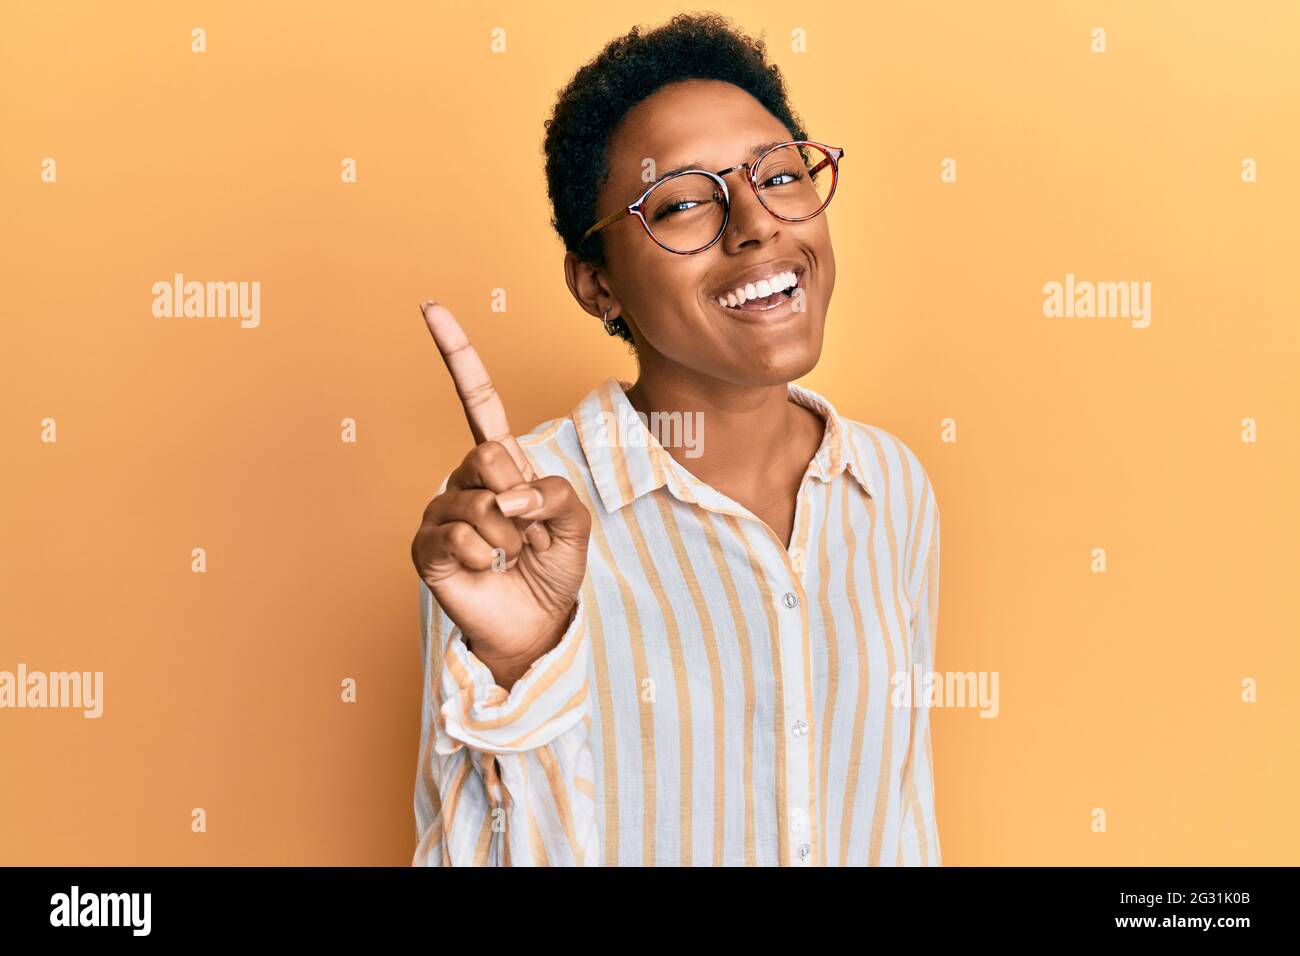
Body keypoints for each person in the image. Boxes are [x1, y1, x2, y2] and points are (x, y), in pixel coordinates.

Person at [410, 12, 941, 866]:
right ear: (598, 284)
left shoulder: (888, 486)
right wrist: (523, 660)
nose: (758, 224)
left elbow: (901, 815)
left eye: (780, 174)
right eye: (687, 202)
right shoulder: (518, 517)